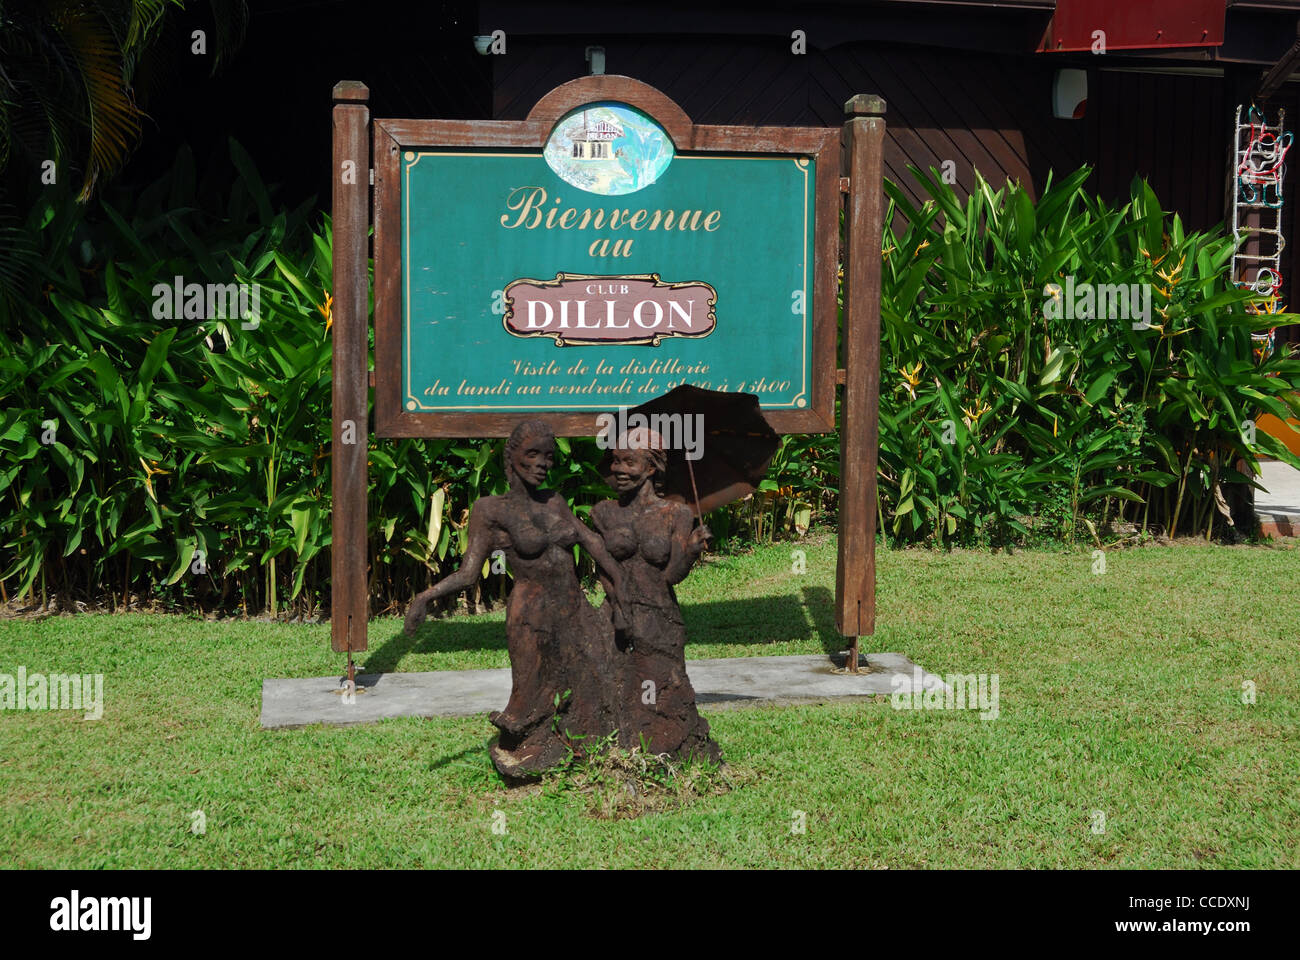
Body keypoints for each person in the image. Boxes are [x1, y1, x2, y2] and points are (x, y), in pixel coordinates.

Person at [403, 419, 625, 780]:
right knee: (530, 691)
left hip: (572, 607)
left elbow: (591, 541)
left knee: (588, 678)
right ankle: (525, 754)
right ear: (512, 458)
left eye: (549, 456)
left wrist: (621, 579)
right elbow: (468, 573)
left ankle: (576, 748)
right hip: (531, 614)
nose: (542, 463)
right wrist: (424, 597)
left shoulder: (555, 501)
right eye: (532, 454)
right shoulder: (491, 509)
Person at [591, 427, 722, 764]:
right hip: (614, 616)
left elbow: (671, 577)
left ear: (651, 468)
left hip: (659, 616)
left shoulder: (676, 514)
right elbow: (601, 570)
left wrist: (691, 550)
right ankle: (616, 754)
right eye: (615, 461)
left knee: (658, 689)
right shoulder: (605, 512)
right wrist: (619, 606)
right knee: (612, 687)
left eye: (629, 462)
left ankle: (659, 753)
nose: (618, 469)